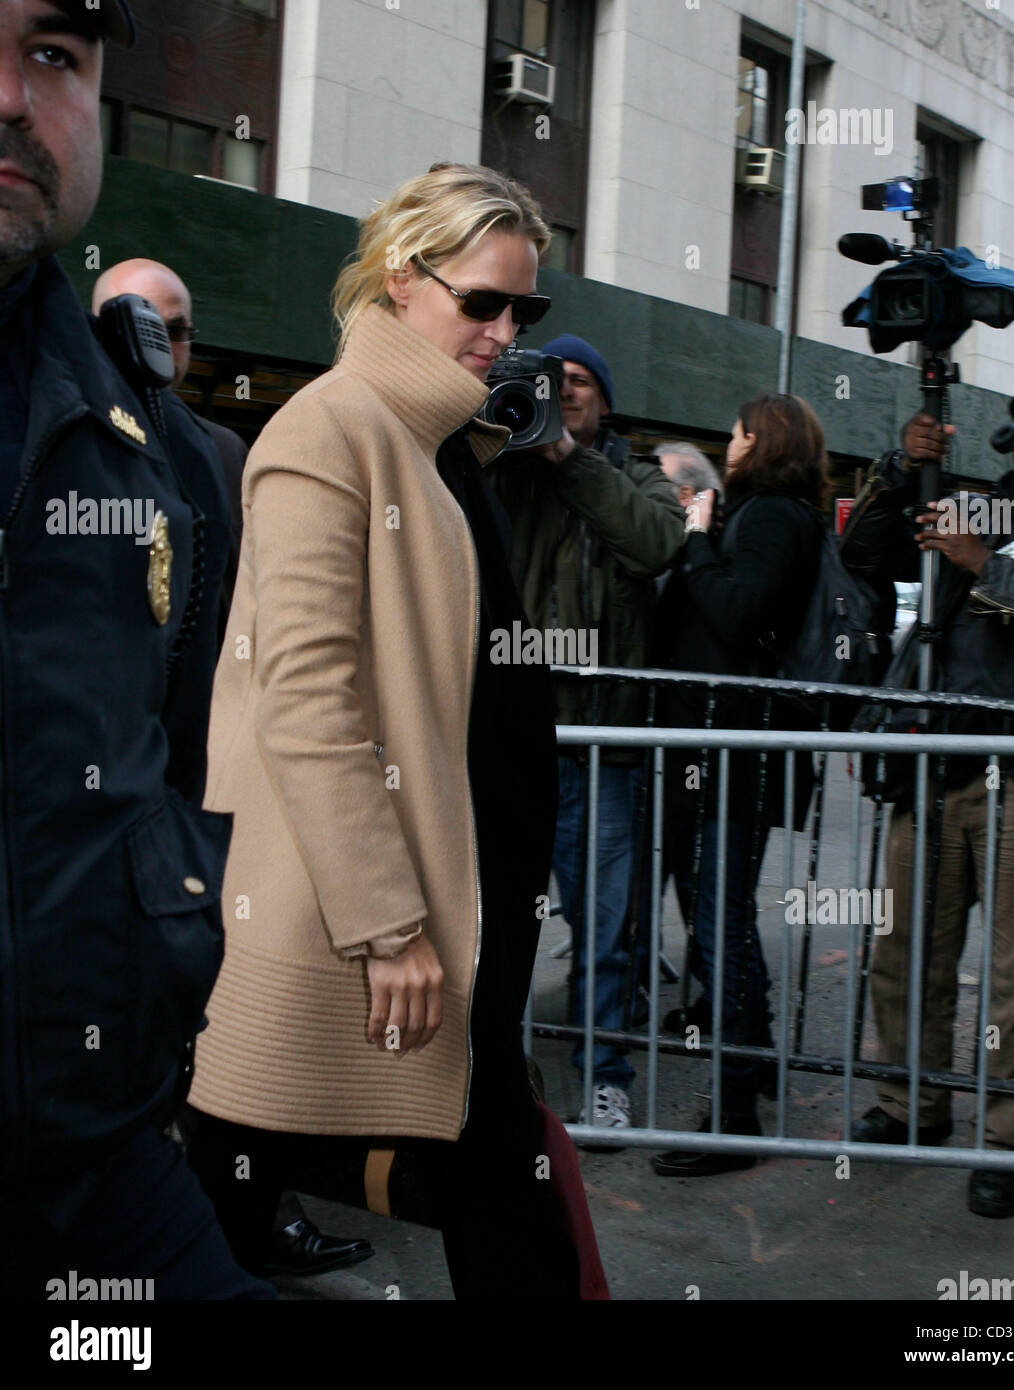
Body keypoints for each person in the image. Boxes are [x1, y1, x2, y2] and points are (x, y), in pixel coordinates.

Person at [183, 162, 597, 1299]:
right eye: (483, 302)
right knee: (484, 1194)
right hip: (388, 907)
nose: (506, 332)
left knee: (257, 1161)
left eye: (525, 310)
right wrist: (387, 922)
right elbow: (306, 698)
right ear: (403, 282)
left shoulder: (438, 448)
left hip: (470, 893)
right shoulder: (330, 432)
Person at [0, 0, 269, 1299]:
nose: (12, 96)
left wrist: (174, 919)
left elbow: (178, 731)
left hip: (92, 1140)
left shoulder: (145, 446)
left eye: (54, 53)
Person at [91, 258, 374, 1277]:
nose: (156, 346)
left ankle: (248, 1215)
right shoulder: (61, 449)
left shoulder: (222, 453)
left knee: (222, 1017)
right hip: (89, 802)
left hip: (210, 796)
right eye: (132, 325)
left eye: (175, 326)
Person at [841, 388, 1014, 1218]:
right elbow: (865, 555)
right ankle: (908, 1102)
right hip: (935, 755)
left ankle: (1004, 1140)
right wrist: (901, 469)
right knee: (904, 948)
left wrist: (986, 567)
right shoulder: (971, 501)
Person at [488, 335, 685, 1137]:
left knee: (603, 928)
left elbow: (656, 544)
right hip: (515, 735)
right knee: (498, 919)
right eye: (548, 381)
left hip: (603, 743)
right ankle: (495, 1077)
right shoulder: (503, 469)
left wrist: (568, 458)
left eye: (576, 382)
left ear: (603, 399)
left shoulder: (634, 478)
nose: (560, 392)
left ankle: (604, 1077)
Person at [649, 394, 826, 1176]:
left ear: (760, 441)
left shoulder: (770, 517)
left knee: (720, 925)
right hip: (724, 750)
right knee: (722, 920)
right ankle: (749, 1067)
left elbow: (736, 609)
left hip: (735, 752)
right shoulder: (765, 514)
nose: (726, 443)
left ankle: (734, 1114)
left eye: (734, 431)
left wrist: (695, 539)